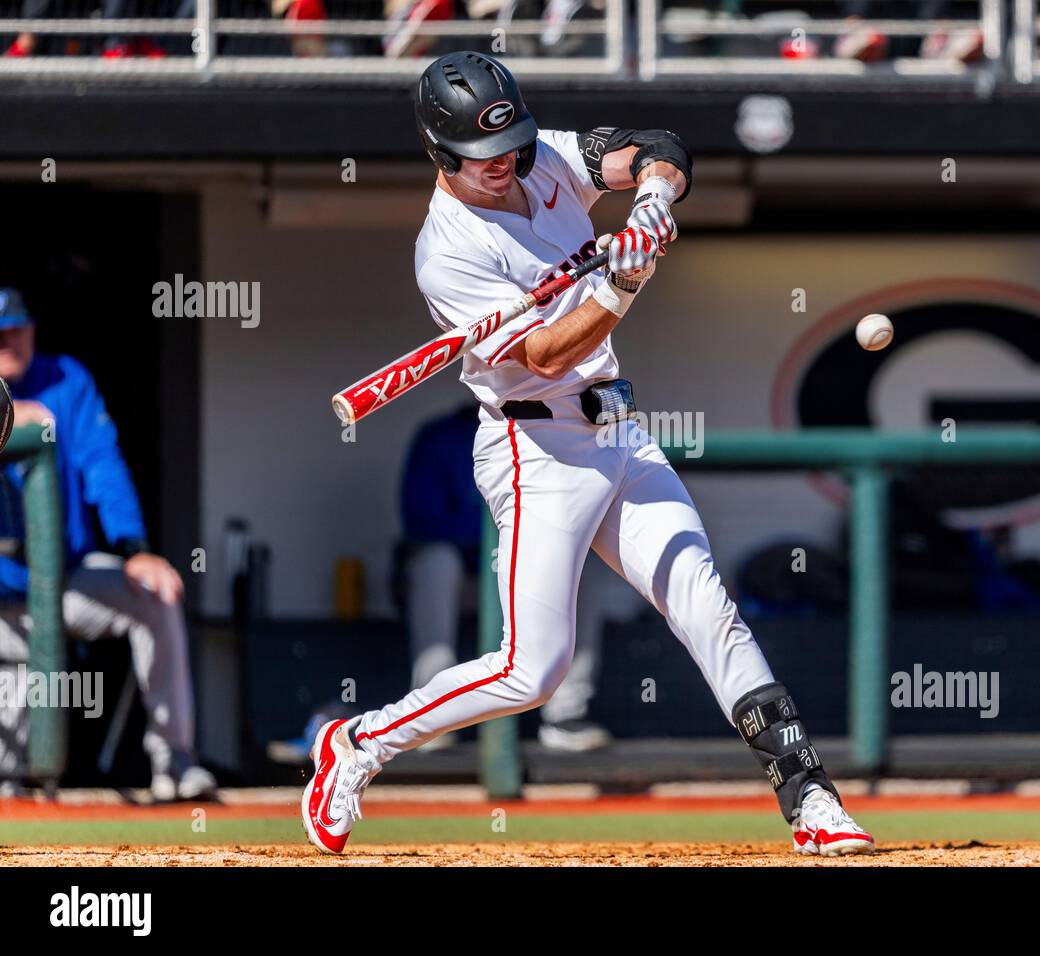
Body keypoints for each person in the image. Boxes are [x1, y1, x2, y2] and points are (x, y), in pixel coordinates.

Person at [301, 51, 873, 857]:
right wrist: (619, 285)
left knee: (704, 604)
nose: (503, 165)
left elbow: (655, 143)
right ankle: (359, 742)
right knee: (530, 669)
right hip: (536, 446)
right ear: (440, 153)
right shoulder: (449, 251)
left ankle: (810, 797)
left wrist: (649, 197)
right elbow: (544, 356)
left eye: (511, 146)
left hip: (617, 430)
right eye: (481, 156)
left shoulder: (541, 159)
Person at [0, 289, 215, 802]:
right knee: (7, 777)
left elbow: (103, 464)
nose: (10, 339)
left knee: (154, 594)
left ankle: (174, 760)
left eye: (19, 328)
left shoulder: (66, 379)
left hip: (67, 579)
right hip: (3, 600)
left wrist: (134, 545)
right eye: (0, 331)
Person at [397, 403, 617, 751]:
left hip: (529, 569)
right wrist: (501, 530)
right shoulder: (441, 436)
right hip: (468, 576)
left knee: (585, 564)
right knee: (434, 563)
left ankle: (566, 715)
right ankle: (429, 714)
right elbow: (421, 521)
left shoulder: (550, 431)